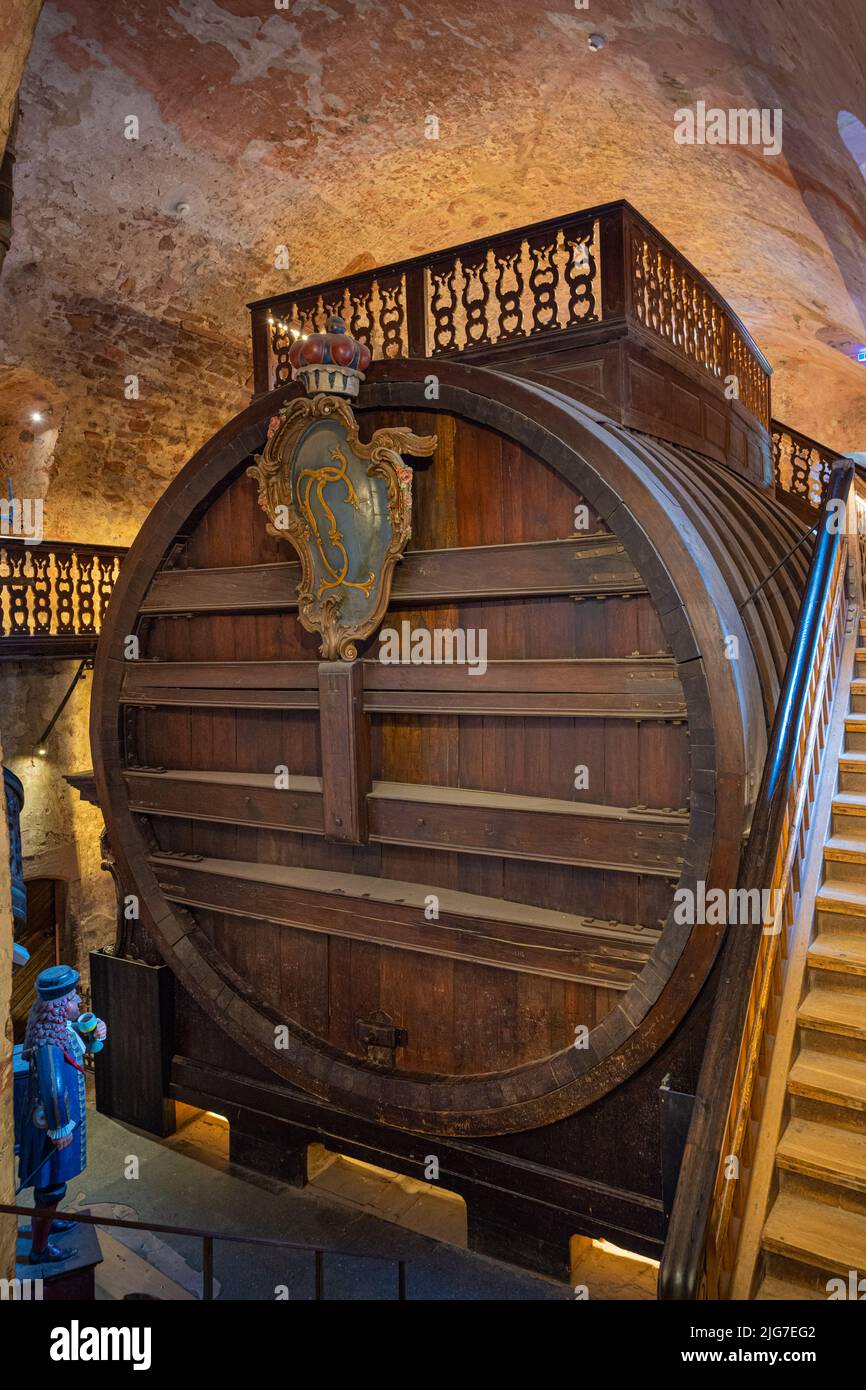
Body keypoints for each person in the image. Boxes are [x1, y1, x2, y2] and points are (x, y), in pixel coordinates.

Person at [17, 965, 107, 1264]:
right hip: (52, 1126)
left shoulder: (55, 1029)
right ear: (57, 1007)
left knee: (52, 1184)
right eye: (71, 999)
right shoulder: (48, 1045)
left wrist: (95, 1031)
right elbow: (53, 1087)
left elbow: (81, 1039)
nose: (78, 1003)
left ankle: (48, 1221)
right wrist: (59, 1129)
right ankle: (39, 1250)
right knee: (51, 1185)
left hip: (58, 1122)